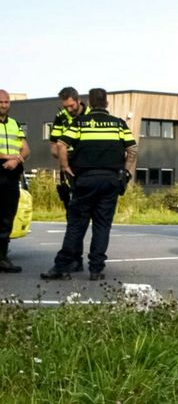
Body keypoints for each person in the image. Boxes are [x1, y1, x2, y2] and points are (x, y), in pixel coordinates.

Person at [42, 88, 136, 282]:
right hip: (110, 180)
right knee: (102, 226)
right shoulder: (118, 123)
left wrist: (66, 165)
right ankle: (96, 270)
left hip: (85, 179)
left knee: (76, 225)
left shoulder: (80, 123)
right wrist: (126, 172)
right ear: (107, 103)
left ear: (89, 103)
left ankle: (62, 266)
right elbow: (132, 148)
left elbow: (60, 144)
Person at [49, 86, 89, 272]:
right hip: (68, 173)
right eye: (66, 107)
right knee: (72, 217)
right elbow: (54, 148)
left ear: (78, 99)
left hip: (87, 171)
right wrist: (66, 157)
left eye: (72, 106)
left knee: (83, 216)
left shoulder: (92, 115)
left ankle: (80, 258)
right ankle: (76, 258)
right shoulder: (61, 116)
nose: (70, 110)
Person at [0, 89, 31, 273]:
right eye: (1, 102)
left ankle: (2, 257)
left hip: (11, 174)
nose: (4, 105)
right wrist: (9, 156)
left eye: (6, 102)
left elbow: (26, 148)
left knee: (7, 217)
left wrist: (17, 159)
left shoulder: (14, 124)